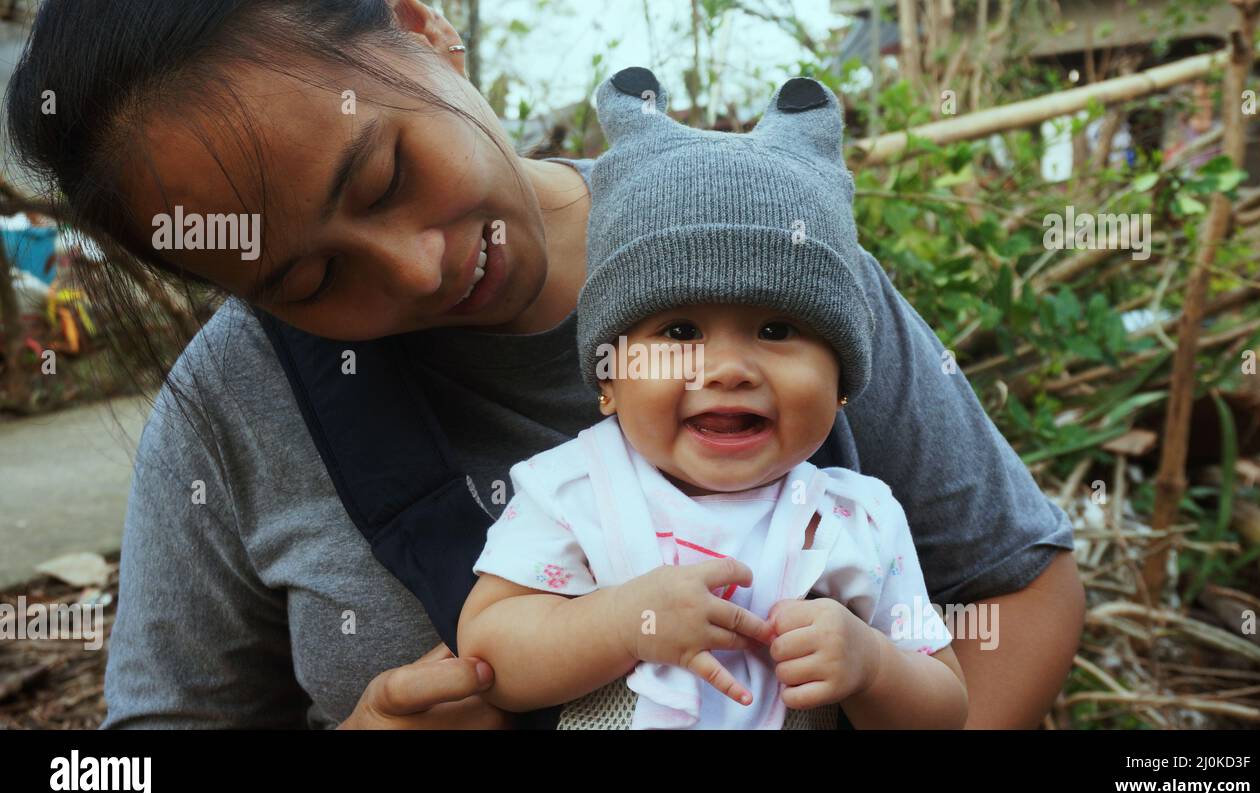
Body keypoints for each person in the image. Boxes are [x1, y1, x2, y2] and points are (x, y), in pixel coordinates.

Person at [3, 0, 1083, 730]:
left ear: (423, 26)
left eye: (383, 175)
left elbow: (1016, 581)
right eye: (308, 280)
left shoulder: (753, 243)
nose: (416, 270)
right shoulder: (230, 406)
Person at [458, 71, 966, 729]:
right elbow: (491, 653)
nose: (727, 369)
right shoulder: (577, 494)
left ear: (841, 382)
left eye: (777, 330)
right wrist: (622, 623)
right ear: (607, 376)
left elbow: (947, 706)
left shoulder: (854, 521)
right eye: (680, 331)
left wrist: (873, 665)